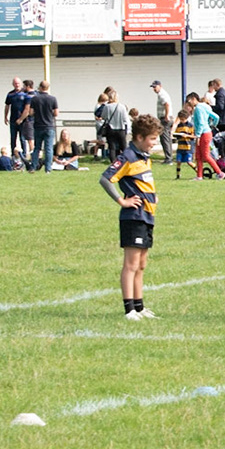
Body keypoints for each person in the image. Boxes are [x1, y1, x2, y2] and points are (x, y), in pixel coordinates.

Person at [99, 113, 161, 318]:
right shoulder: (128, 157)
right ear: (140, 137)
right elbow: (106, 179)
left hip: (147, 216)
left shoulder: (144, 158)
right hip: (133, 217)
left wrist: (153, 196)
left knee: (142, 264)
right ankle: (129, 309)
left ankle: (139, 306)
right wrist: (122, 201)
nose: (154, 143)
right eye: (152, 139)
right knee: (131, 264)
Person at [29, 82, 59, 173]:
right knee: (48, 148)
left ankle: (33, 167)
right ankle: (48, 169)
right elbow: (56, 113)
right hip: (49, 126)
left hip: (38, 126)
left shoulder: (35, 99)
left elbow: (30, 113)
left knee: (37, 148)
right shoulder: (53, 99)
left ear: (40, 87)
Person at [6, 79, 33, 158]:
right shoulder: (10, 94)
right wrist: (5, 116)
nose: (17, 85)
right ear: (13, 84)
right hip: (13, 119)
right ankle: (13, 155)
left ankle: (24, 155)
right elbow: (7, 105)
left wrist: (21, 119)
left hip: (23, 120)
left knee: (23, 138)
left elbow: (27, 108)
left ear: (20, 84)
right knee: (13, 138)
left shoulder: (25, 94)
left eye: (18, 83)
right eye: (15, 83)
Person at [150, 80, 175, 161]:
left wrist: (166, 115)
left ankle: (168, 158)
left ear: (160, 86)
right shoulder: (161, 94)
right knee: (166, 138)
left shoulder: (162, 94)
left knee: (165, 139)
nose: (154, 89)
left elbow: (166, 104)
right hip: (165, 118)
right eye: (153, 87)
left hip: (165, 118)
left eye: (155, 87)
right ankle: (169, 156)